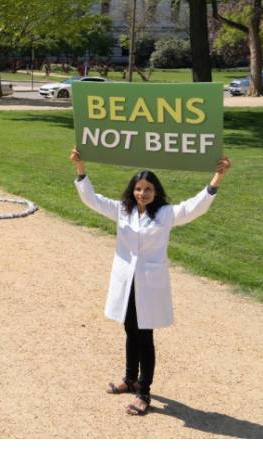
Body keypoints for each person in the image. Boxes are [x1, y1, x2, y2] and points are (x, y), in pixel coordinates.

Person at [71, 147, 232, 416]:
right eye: (138, 188)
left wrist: (217, 177)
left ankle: (144, 392)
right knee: (129, 329)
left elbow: (196, 207)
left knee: (145, 336)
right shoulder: (123, 211)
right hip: (127, 282)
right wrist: (80, 168)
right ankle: (130, 378)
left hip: (149, 283)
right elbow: (92, 199)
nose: (142, 193)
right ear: (131, 190)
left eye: (147, 189)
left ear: (156, 191)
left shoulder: (166, 214)